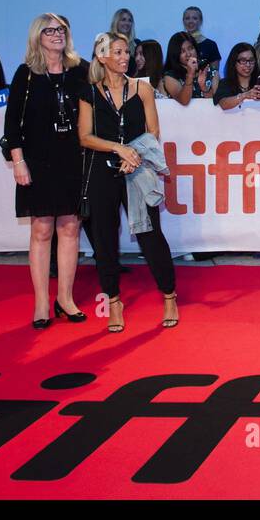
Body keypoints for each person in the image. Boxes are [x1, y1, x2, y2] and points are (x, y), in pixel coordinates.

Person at [78, 32, 179, 333]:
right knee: (104, 240)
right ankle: (113, 302)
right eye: (118, 52)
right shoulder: (90, 93)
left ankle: (170, 297)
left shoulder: (143, 89)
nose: (125, 57)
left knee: (151, 237)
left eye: (127, 52)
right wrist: (117, 148)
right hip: (101, 173)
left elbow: (154, 131)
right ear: (102, 56)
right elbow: (84, 136)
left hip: (138, 171)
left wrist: (132, 155)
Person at [5, 14, 88, 327]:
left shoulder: (81, 70)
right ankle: (41, 302)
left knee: (69, 227)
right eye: (50, 31)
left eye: (61, 30)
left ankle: (65, 298)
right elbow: (12, 124)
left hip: (73, 159)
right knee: (41, 229)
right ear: (37, 36)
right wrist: (18, 161)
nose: (57, 35)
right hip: (37, 161)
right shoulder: (26, 75)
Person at [214, 42, 260, 109]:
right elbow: (223, 104)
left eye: (251, 60)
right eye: (243, 61)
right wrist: (245, 95)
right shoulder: (226, 83)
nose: (248, 65)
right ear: (234, 62)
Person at [161, 31, 212, 104]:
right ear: (175, 54)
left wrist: (204, 87)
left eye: (190, 48)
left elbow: (217, 103)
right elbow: (184, 101)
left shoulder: (210, 71)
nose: (188, 54)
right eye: (182, 51)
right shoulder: (170, 77)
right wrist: (190, 74)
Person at [181, 6, 221, 74]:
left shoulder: (210, 45)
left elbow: (214, 73)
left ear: (201, 21)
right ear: (183, 21)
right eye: (187, 18)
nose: (191, 21)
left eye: (195, 18)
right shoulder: (177, 43)